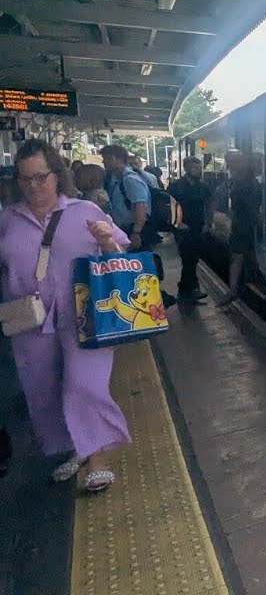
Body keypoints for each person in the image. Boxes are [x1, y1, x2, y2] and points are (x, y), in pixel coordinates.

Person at [0, 139, 131, 492]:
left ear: (57, 175)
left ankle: (98, 459)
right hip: (29, 321)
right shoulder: (8, 219)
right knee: (43, 388)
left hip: (84, 316)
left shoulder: (84, 211)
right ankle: (76, 448)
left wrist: (106, 242)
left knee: (84, 384)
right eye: (25, 179)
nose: (34, 186)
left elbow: (121, 255)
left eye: (41, 177)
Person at [100, 145, 176, 307]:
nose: (104, 162)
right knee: (137, 268)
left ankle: (155, 301)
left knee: (139, 268)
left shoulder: (130, 179)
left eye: (106, 159)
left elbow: (139, 206)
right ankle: (152, 301)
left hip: (136, 229)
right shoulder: (119, 179)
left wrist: (136, 232)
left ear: (114, 158)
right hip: (130, 229)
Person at [167, 156, 213, 303]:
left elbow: (210, 204)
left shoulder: (203, 186)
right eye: (195, 168)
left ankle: (184, 287)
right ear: (186, 168)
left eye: (200, 168)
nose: (199, 171)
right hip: (182, 228)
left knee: (192, 258)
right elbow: (169, 206)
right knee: (189, 257)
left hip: (197, 226)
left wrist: (208, 223)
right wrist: (177, 223)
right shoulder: (176, 186)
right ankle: (193, 288)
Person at [219, 150, 260, 307]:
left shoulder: (237, 181)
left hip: (240, 224)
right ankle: (236, 288)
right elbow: (252, 207)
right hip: (244, 225)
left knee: (237, 257)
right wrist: (259, 221)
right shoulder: (247, 182)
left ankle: (234, 288)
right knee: (239, 256)